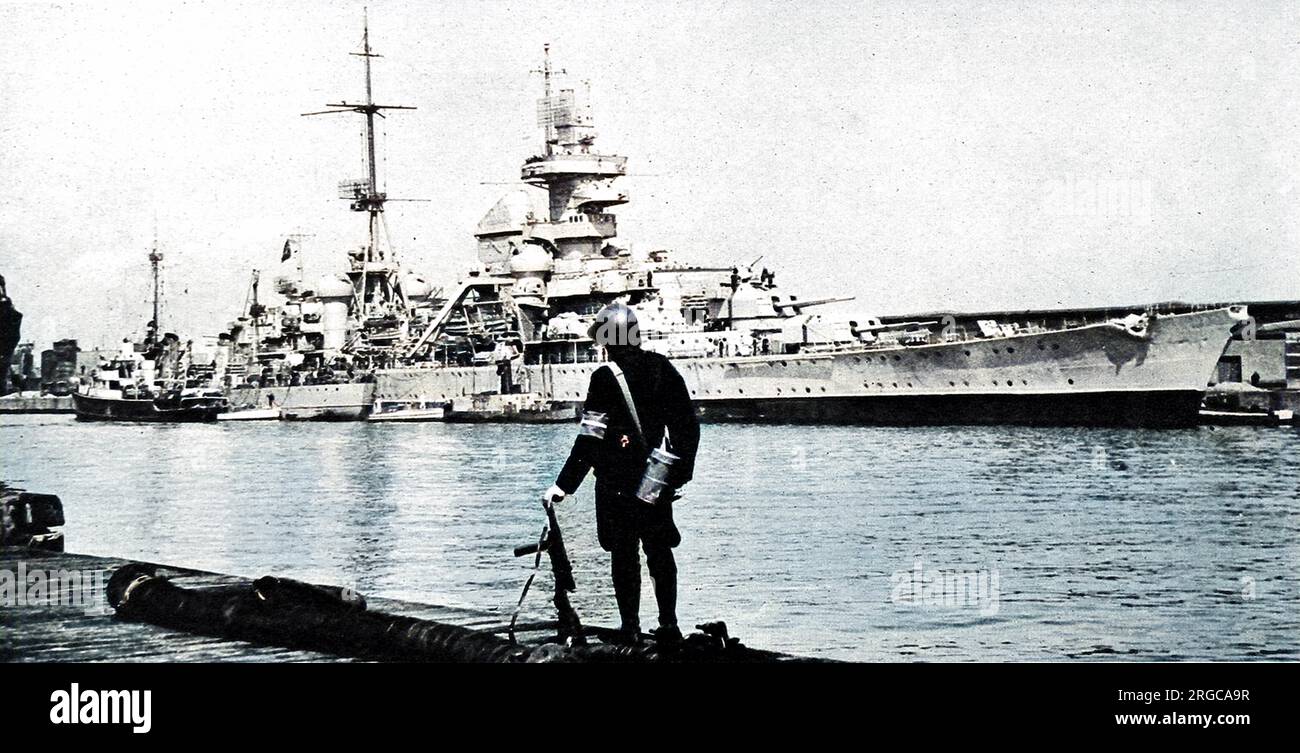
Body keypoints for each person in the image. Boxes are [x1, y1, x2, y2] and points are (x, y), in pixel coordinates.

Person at [544, 302, 700, 644]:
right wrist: (675, 475)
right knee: (660, 552)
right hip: (654, 482)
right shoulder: (663, 367)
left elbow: (590, 437)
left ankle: (629, 627)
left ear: (607, 339)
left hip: (617, 484)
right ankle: (669, 626)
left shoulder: (604, 376)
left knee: (624, 555)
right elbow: (688, 427)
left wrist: (562, 486)